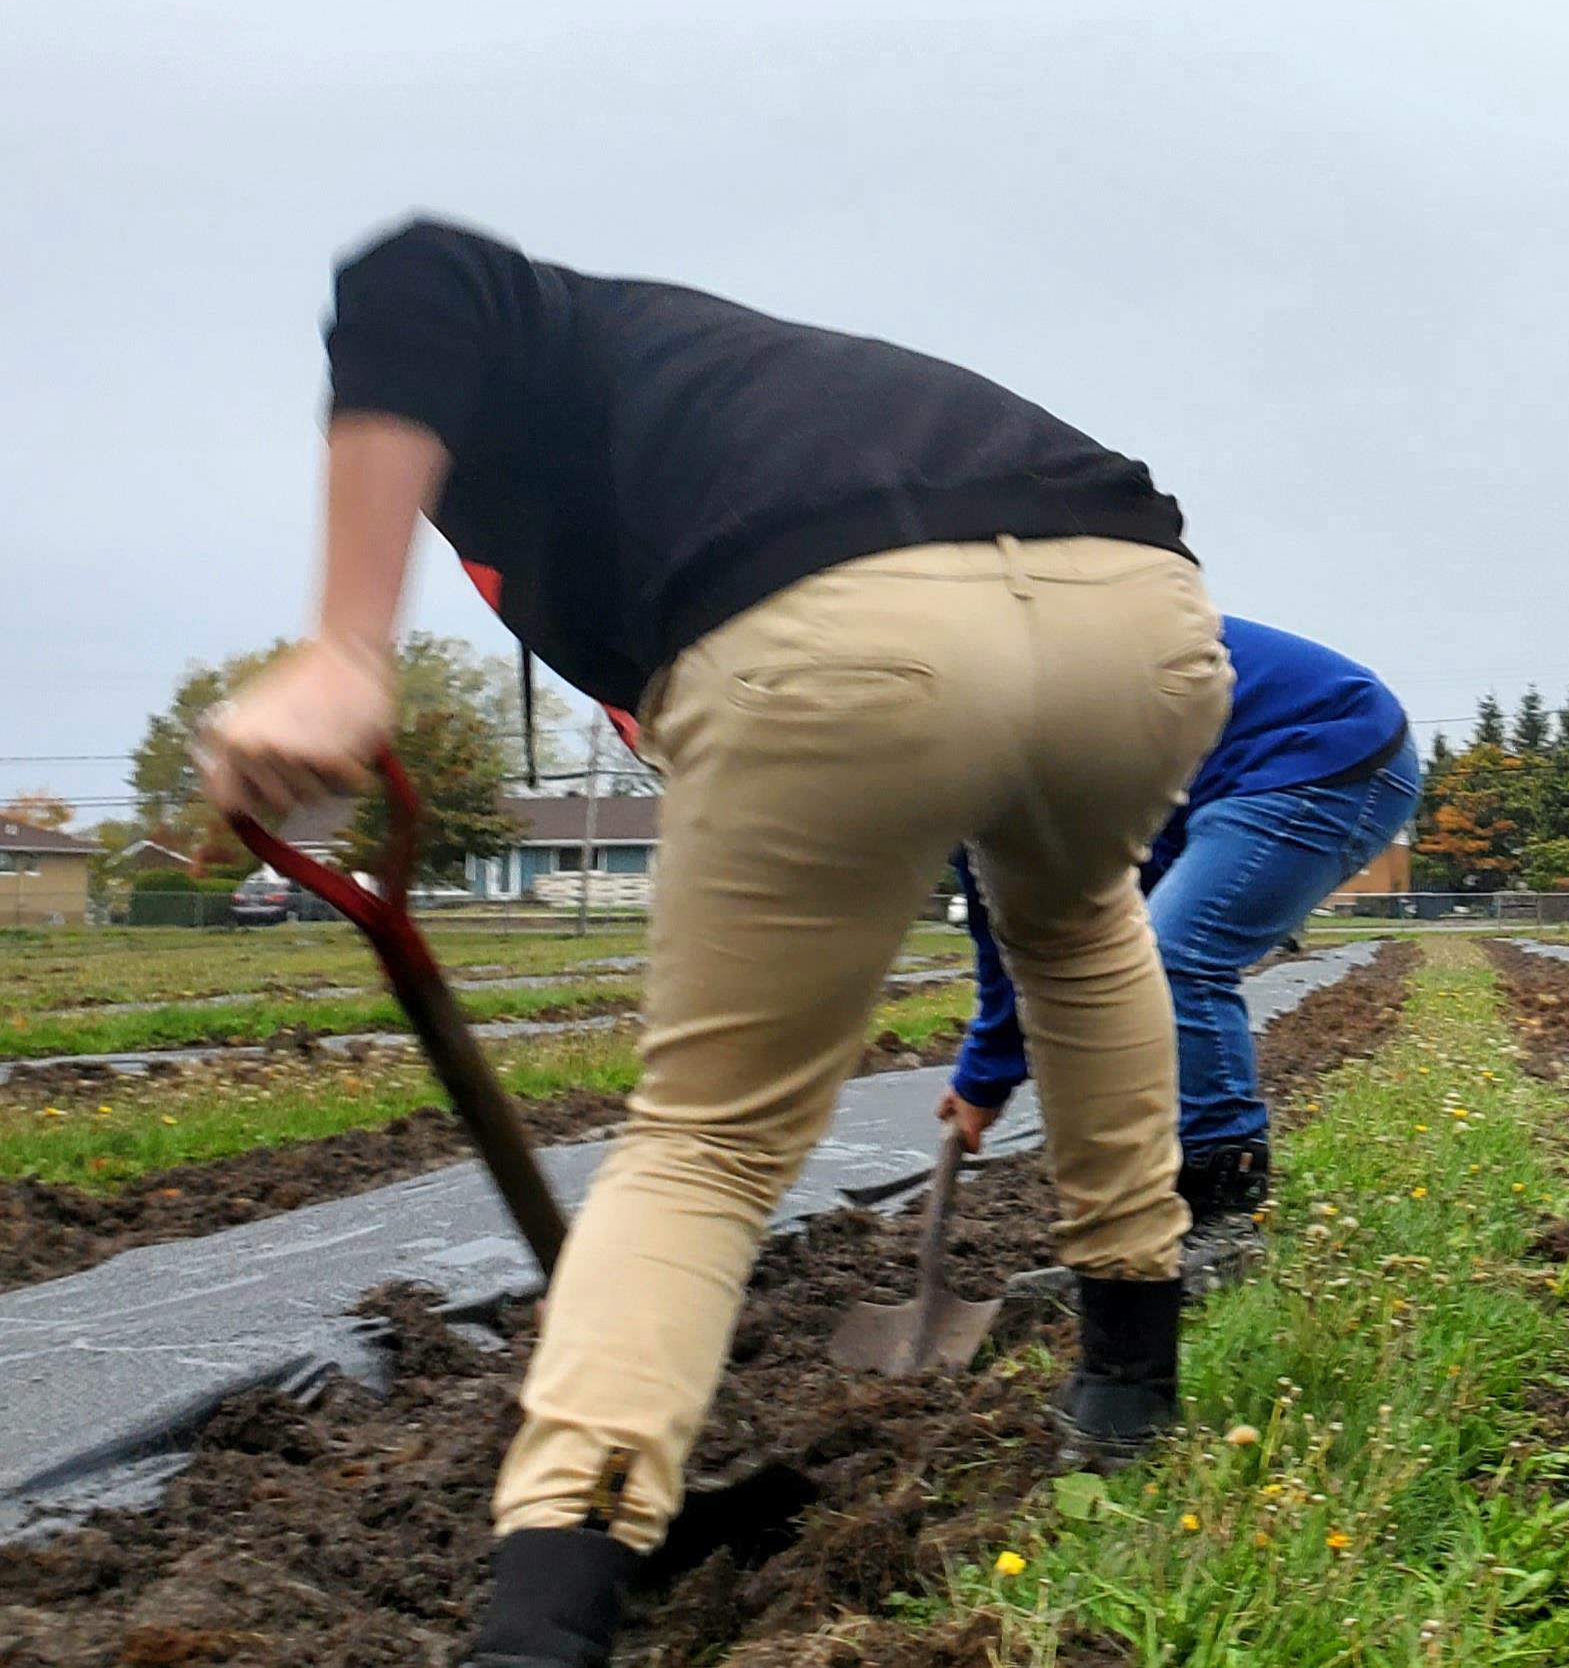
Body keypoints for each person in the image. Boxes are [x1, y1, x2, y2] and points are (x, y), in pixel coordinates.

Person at [194, 217, 1232, 1668]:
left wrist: (346, 646)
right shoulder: (702, 392)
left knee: (708, 1136)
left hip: (845, 622)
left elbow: (406, 268)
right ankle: (1132, 1373)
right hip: (1139, 608)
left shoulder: (518, 344)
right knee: (1075, 922)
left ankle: (546, 1615)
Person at [936, 617, 1418, 1304]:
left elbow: (1112, 867)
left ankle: (1225, 1212)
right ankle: (1162, 1207)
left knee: (1172, 957)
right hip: (1229, 774)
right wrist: (984, 1076)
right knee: (1138, 965)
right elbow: (1007, 928)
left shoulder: (1014, 696)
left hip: (1325, 748)